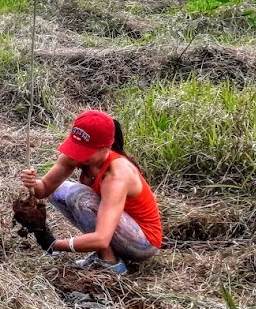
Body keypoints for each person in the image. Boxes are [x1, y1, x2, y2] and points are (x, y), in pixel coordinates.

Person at [18, 110, 162, 275]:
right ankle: (108, 254)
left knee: (79, 197)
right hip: (112, 229)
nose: (77, 155)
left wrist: (54, 244)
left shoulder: (117, 175)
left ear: (106, 147)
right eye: (76, 147)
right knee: (58, 189)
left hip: (142, 243)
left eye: (85, 151)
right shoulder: (75, 156)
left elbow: (101, 238)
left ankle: (111, 263)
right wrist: (32, 182)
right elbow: (44, 189)